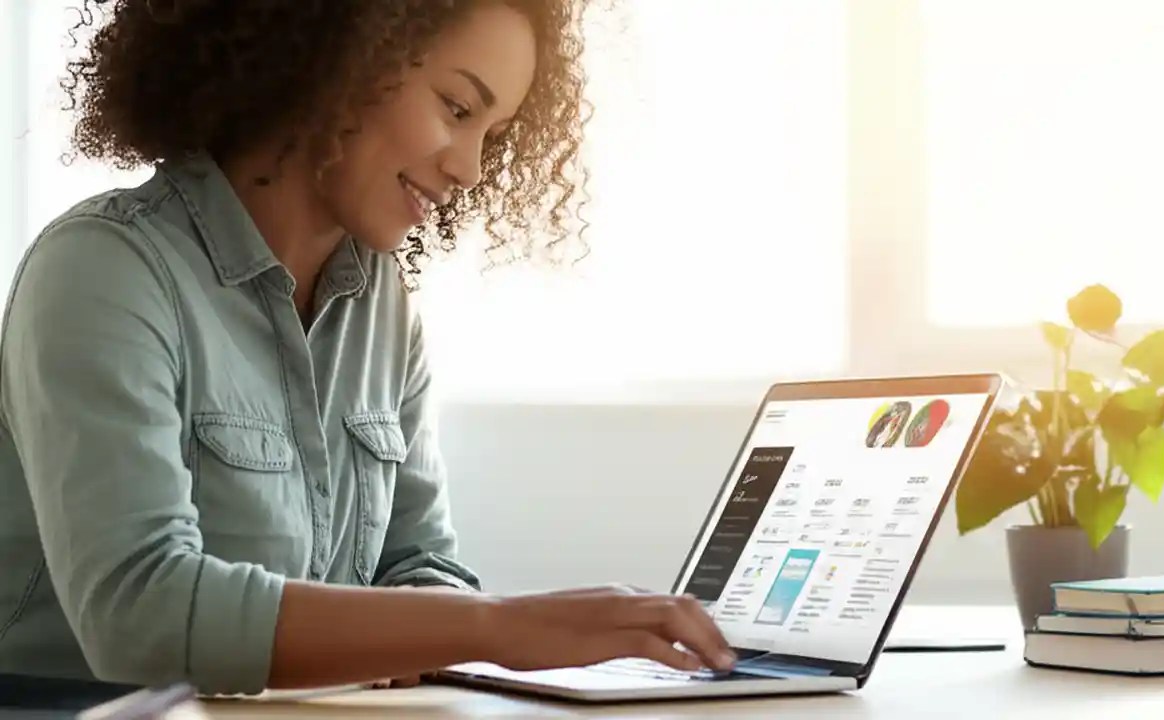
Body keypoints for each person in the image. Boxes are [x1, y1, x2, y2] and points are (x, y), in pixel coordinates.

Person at [0, 0, 735, 695]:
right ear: (340, 54)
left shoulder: (383, 308)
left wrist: (436, 622)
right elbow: (141, 617)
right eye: (456, 109)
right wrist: (502, 627)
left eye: (495, 134)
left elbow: (418, 564)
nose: (470, 169)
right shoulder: (102, 270)